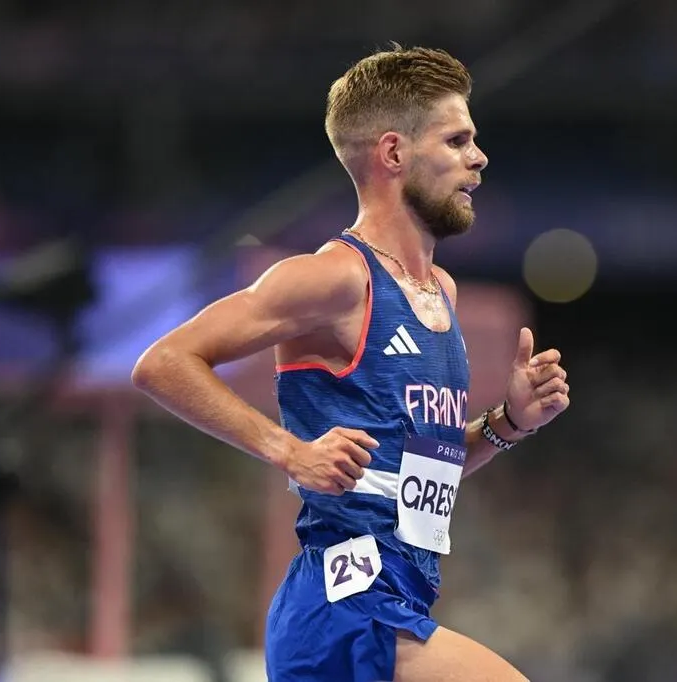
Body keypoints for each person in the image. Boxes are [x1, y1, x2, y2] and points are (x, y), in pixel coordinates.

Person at [131, 43, 571, 682]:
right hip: (345, 605)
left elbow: (413, 480)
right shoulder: (334, 279)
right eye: (456, 140)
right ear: (394, 153)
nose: (478, 158)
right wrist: (288, 450)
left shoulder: (440, 293)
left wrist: (508, 424)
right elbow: (163, 362)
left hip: (393, 598)